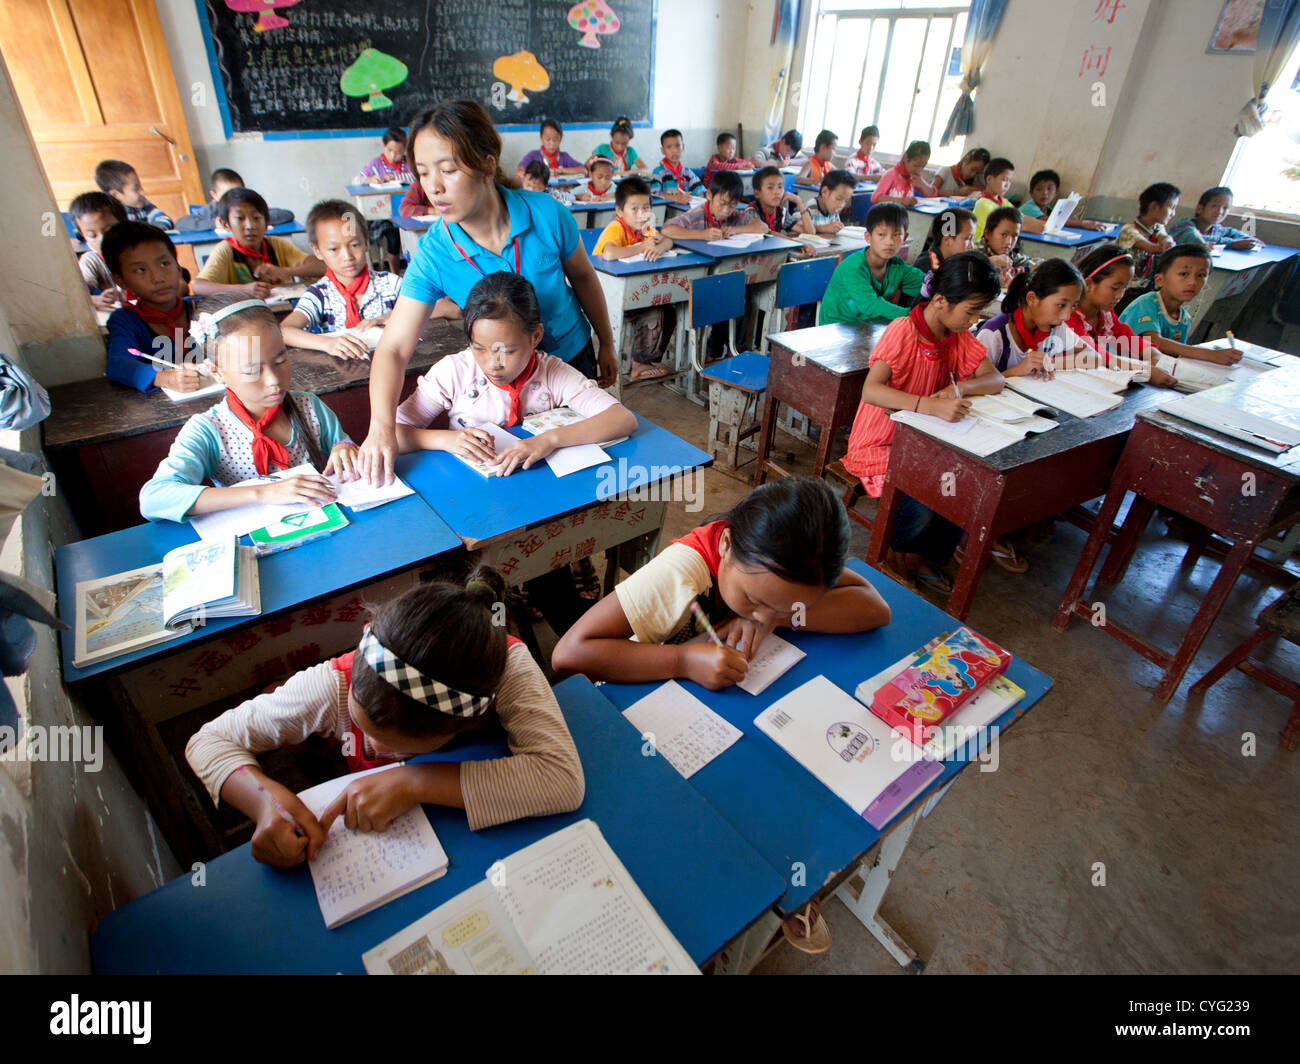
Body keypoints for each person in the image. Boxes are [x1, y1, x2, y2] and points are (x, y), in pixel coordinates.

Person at [185, 571, 585, 867]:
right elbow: (208, 741)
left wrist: (412, 780)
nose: (375, 749)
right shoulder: (333, 687)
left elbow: (561, 780)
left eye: (397, 748)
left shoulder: (507, 670)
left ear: (463, 722)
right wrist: (265, 802)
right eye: (362, 728)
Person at [356, 99, 618, 485]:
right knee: (516, 481)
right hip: (499, 381)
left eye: (448, 170)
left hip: (565, 365)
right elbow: (393, 348)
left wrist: (606, 342)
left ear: (487, 166)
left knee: (576, 480)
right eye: (424, 173)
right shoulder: (435, 252)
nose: (434, 187)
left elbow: (583, 278)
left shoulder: (545, 213)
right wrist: (381, 425)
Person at [394, 273, 637, 631]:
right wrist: (443, 439)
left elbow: (622, 418)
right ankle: (495, 633)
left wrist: (549, 439)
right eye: (479, 347)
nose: (493, 362)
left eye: (507, 350)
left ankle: (569, 647)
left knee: (549, 580)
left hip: (536, 513)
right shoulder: (455, 372)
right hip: (470, 515)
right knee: (471, 597)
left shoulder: (551, 372)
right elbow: (392, 433)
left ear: (535, 336)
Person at [551, 476, 890, 689]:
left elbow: (875, 608)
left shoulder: (800, 567)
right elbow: (568, 655)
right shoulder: (680, 574)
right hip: (625, 687)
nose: (763, 618)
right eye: (755, 601)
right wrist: (682, 662)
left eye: (786, 608)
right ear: (726, 545)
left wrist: (776, 617)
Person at [842, 252, 1005, 592]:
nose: (976, 320)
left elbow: (995, 380)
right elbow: (871, 391)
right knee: (925, 481)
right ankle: (897, 554)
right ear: (942, 300)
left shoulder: (955, 334)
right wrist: (928, 405)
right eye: (971, 310)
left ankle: (926, 554)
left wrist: (958, 387)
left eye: (980, 312)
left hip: (925, 436)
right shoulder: (904, 330)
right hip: (880, 441)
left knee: (965, 478)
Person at [138, 295, 358, 522]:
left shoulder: (310, 407)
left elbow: (343, 449)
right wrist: (263, 492)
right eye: (252, 370)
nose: (274, 380)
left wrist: (345, 449)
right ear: (217, 372)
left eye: (281, 361)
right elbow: (154, 499)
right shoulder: (209, 430)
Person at [280, 199, 402, 360]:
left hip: (391, 364)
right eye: (334, 249)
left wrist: (392, 316)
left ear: (366, 242)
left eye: (354, 244)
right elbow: (283, 332)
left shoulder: (389, 283)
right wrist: (327, 343)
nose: (347, 256)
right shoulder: (320, 294)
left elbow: (442, 307)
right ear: (317, 251)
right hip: (342, 374)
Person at [101, 222, 202, 393]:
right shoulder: (126, 320)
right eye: (140, 270)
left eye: (164, 264)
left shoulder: (203, 307)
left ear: (178, 267)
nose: (158, 278)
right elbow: (118, 363)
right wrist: (164, 378)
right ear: (120, 280)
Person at [1066, 244, 1175, 385]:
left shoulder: (1104, 313)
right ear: (1089, 284)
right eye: (1115, 288)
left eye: (1124, 288)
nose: (1120, 296)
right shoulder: (1069, 316)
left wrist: (1152, 352)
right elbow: (1093, 353)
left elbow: (1124, 335)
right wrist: (1144, 369)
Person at [192, 188, 324, 297]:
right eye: (240, 218)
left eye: (256, 218)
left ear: (266, 222)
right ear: (225, 224)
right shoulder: (225, 250)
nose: (250, 226)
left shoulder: (276, 244)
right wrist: (242, 290)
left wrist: (286, 271)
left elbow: (322, 267)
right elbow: (198, 286)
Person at [1120, 244, 1237, 365]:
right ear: (1160, 280)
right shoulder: (1146, 303)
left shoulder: (1184, 319)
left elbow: (1176, 355)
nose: (1193, 282)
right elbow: (1154, 342)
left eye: (1201, 275)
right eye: (1184, 274)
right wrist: (1208, 354)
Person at [977, 258, 1092, 378]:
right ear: (1032, 299)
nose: (1066, 316)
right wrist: (1016, 371)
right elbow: (974, 385)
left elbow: (1091, 356)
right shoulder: (994, 334)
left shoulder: (1054, 327)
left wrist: (1051, 363)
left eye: (1073, 306)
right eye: (1061, 305)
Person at [819, 203, 924, 325]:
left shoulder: (897, 267)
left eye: (896, 235)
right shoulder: (853, 268)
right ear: (868, 237)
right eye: (881, 235)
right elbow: (871, 305)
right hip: (835, 330)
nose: (889, 242)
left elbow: (929, 285)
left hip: (869, 326)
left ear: (905, 237)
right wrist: (915, 316)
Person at [353, 126, 412, 273]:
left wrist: (397, 177)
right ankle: (393, 273)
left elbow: (416, 178)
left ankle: (400, 272)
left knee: (403, 233)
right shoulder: (376, 163)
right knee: (393, 236)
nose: (393, 156)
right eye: (389, 150)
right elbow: (356, 180)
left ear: (404, 149)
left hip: (404, 213)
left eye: (398, 152)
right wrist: (369, 179)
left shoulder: (408, 164)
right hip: (382, 215)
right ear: (383, 146)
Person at [174, 168, 295, 232]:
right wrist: (214, 224)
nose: (233, 199)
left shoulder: (249, 205)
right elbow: (181, 223)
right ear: (214, 195)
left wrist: (258, 219)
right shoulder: (213, 208)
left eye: (237, 192)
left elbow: (287, 215)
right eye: (226, 194)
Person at [660, 171, 765, 241]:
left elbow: (763, 227)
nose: (726, 210)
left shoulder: (736, 215)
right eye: (722, 203)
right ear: (709, 195)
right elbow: (666, 229)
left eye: (732, 205)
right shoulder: (696, 214)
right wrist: (702, 234)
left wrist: (735, 230)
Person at [1116, 182, 1179, 290]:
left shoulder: (1157, 227)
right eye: (1172, 207)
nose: (1173, 213)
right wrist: (1166, 246)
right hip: (1124, 285)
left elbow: (1163, 237)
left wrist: (1168, 240)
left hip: (1142, 284)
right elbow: (1151, 248)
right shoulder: (1129, 230)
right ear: (1154, 206)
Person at [69, 191, 127, 310]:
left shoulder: (141, 255)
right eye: (92, 235)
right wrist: (95, 300)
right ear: (83, 236)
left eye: (109, 230)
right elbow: (79, 296)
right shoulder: (90, 261)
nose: (102, 239)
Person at [593, 176, 673, 261]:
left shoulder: (645, 229)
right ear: (619, 211)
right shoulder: (616, 227)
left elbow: (667, 241)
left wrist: (659, 249)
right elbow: (609, 253)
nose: (641, 214)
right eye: (634, 209)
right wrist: (641, 247)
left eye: (645, 208)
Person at [1167, 186, 1262, 250]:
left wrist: (1249, 240)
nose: (1220, 211)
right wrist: (1232, 243)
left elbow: (1230, 232)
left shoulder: (1216, 230)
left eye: (1225, 208)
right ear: (1200, 208)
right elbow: (1199, 240)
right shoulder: (1183, 225)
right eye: (1215, 206)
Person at [912, 205, 975, 301]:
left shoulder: (951, 261)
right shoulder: (928, 265)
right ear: (947, 239)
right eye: (967, 239)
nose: (972, 246)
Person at [1017, 168, 1105, 234]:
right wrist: (1083, 224)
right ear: (1031, 193)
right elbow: (1050, 221)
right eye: (1039, 189)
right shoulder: (1029, 207)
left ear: (1056, 192)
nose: (1045, 193)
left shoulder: (1047, 209)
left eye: (1049, 189)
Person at [94, 159, 173, 229]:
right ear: (115, 195)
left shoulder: (143, 204)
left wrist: (150, 230)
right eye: (136, 189)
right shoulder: (105, 214)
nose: (142, 192)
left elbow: (164, 219)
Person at [978, 205, 1038, 288]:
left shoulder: (1011, 256)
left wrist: (1038, 265)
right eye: (1004, 234)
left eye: (1014, 236)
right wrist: (988, 263)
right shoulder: (975, 254)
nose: (1009, 242)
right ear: (987, 233)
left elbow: (1030, 262)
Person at [871, 141, 936, 205]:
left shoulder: (913, 178)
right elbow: (875, 197)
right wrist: (901, 200)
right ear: (905, 158)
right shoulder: (891, 174)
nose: (919, 170)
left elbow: (932, 195)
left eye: (922, 167)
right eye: (916, 166)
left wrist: (922, 185)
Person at [515, 118, 584, 178]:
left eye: (555, 139)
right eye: (548, 139)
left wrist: (559, 171)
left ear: (561, 138)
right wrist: (542, 175)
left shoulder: (564, 157)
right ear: (541, 138)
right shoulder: (533, 156)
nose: (552, 144)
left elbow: (583, 170)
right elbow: (519, 172)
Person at [752, 166, 812, 235]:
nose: (777, 192)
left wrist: (799, 202)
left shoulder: (781, 212)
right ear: (757, 193)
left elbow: (810, 232)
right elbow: (767, 234)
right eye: (770, 187)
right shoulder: (752, 211)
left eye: (780, 187)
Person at [651, 129, 704, 203]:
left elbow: (701, 191)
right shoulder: (658, 173)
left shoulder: (687, 172)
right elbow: (654, 195)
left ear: (683, 147)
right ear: (663, 150)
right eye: (669, 147)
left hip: (686, 212)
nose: (674, 150)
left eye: (677, 145)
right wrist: (676, 198)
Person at [971, 157, 1015, 240]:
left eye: (1010, 181)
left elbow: (1020, 217)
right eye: (1004, 180)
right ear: (989, 179)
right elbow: (1003, 228)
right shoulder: (982, 204)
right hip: (980, 248)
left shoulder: (1003, 202)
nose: (1007, 185)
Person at [803, 169, 856, 236]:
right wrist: (824, 228)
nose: (841, 205)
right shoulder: (810, 207)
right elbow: (798, 229)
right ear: (824, 192)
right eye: (838, 199)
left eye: (846, 201)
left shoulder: (833, 210)